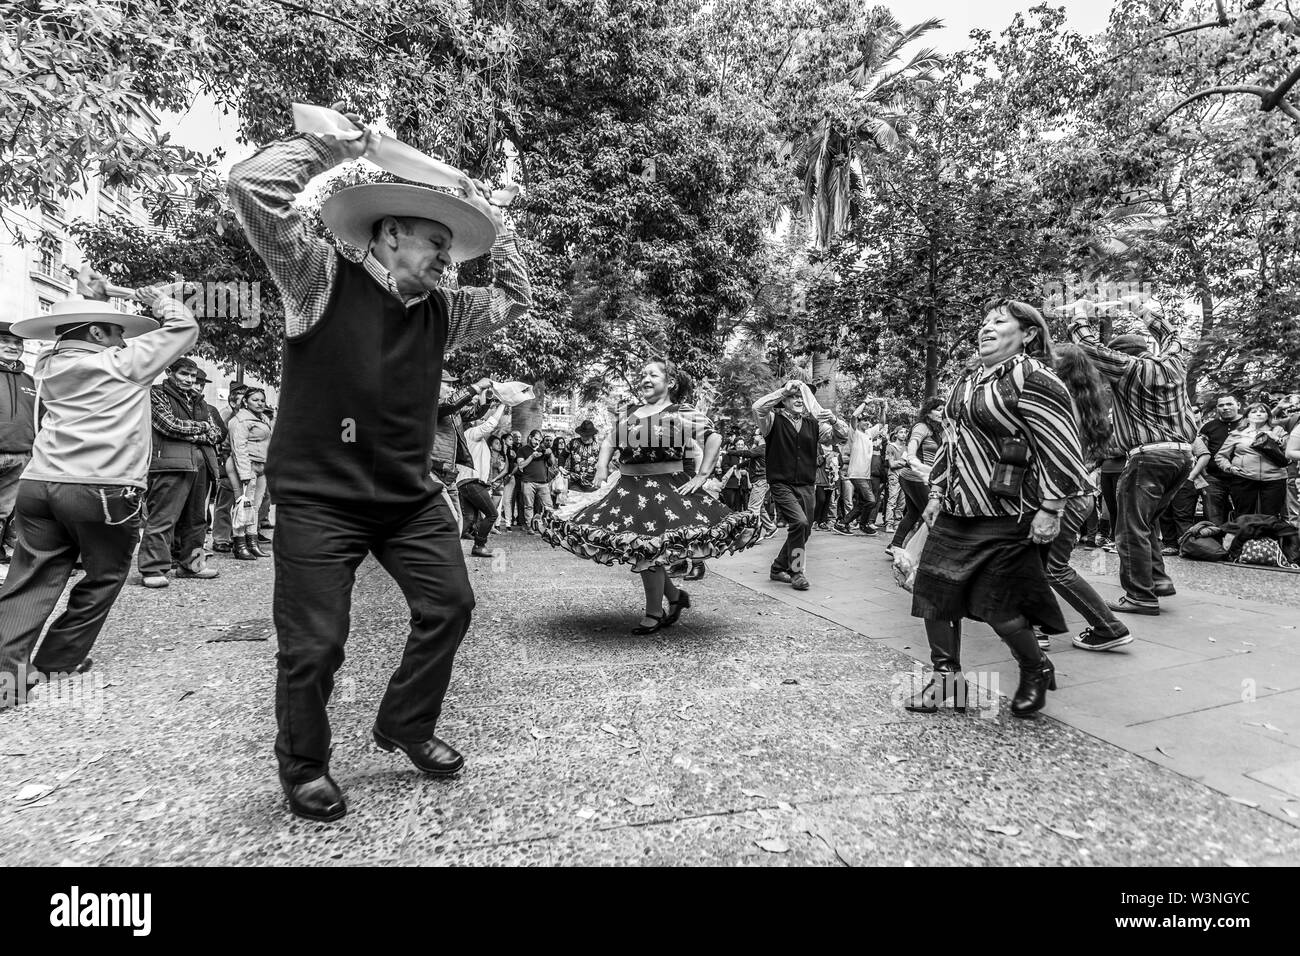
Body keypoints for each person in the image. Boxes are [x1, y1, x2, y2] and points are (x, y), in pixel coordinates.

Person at [228, 102, 531, 821]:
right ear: (391, 234)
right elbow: (251, 189)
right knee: (316, 645)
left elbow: (515, 297)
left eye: (453, 252)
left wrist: (498, 217)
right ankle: (303, 765)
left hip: (408, 496)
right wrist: (333, 145)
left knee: (450, 605)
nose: (447, 261)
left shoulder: (444, 310)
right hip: (319, 497)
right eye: (435, 244)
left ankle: (406, 723)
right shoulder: (317, 278)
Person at [0, 282, 197, 708]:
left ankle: (6, 681)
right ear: (95, 335)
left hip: (39, 484)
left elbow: (78, 337)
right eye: (116, 331)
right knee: (104, 575)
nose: (125, 340)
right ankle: (58, 660)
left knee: (28, 579)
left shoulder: (49, 365)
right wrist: (156, 300)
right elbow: (184, 327)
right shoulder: (120, 364)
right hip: (103, 487)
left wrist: (99, 299)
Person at [908, 300, 1090, 718]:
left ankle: (1036, 668)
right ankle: (947, 682)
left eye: (999, 322)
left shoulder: (1036, 378)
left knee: (1000, 606)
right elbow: (952, 444)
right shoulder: (966, 381)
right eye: (984, 321)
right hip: (958, 510)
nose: (987, 328)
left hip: (1012, 512)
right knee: (934, 597)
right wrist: (936, 493)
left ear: (1028, 333)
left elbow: (1060, 443)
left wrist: (1052, 506)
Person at [534, 359, 759, 632]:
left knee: (648, 550)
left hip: (665, 490)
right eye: (643, 375)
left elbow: (714, 439)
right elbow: (609, 440)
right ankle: (675, 598)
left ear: (670, 382)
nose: (646, 379)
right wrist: (602, 467)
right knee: (647, 551)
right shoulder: (627, 411)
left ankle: (655, 612)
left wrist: (702, 475)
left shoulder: (681, 411)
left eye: (653, 374)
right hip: (628, 490)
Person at [1068, 307, 1195, 616]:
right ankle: (1157, 579)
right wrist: (1141, 310)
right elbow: (1172, 335)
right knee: (1147, 521)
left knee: (1129, 528)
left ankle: (1140, 595)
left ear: (1120, 355)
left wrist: (1079, 315)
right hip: (1183, 456)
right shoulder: (1175, 364)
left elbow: (1086, 346)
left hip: (1149, 456)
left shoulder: (1128, 369)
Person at [1040, 345, 1132, 651]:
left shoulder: (1059, 402)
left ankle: (1109, 627)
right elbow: (1098, 452)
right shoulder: (1088, 405)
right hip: (1077, 494)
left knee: (1054, 568)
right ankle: (1037, 628)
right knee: (1038, 564)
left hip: (1061, 495)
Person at [751, 380, 851, 590]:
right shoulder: (772, 420)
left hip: (806, 484)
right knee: (800, 523)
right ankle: (796, 572)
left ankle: (778, 567)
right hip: (781, 484)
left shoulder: (813, 424)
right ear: (783, 400)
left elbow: (841, 437)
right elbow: (757, 407)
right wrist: (782, 390)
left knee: (804, 530)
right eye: (793, 396)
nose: (798, 399)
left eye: (801, 396)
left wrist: (834, 420)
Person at [137, 358, 224, 587]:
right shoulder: (156, 394)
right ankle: (153, 569)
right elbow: (169, 425)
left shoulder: (199, 400)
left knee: (197, 520)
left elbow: (216, 433)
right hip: (171, 464)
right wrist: (202, 428)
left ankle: (192, 565)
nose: (189, 380)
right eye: (184, 374)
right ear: (169, 372)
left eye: (193, 376)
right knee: (163, 518)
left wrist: (198, 431)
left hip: (201, 464)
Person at [0, 322, 36, 577]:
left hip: (21, 455)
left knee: (5, 511)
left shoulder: (29, 379)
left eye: (17, 343)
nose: (13, 346)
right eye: (5, 341)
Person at [887, 399, 943, 557]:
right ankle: (926, 553)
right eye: (938, 409)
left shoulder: (936, 430)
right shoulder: (922, 427)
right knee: (932, 513)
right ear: (928, 412)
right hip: (915, 477)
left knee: (913, 513)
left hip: (915, 477)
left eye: (943, 410)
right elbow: (914, 442)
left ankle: (895, 545)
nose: (941, 412)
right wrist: (911, 456)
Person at [1213, 402, 1290, 518]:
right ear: (1247, 417)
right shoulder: (1236, 434)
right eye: (1254, 412)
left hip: (1274, 478)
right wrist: (1229, 468)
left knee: (1271, 515)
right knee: (1243, 514)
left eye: (1262, 411)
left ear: (1268, 416)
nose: (1258, 414)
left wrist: (1277, 439)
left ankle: (1268, 536)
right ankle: (1246, 536)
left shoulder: (1278, 430)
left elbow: (1290, 451)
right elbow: (1220, 456)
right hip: (1244, 477)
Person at [227, 387, 274, 559]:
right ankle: (239, 545)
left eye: (262, 400)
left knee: (255, 507)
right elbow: (238, 448)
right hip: (244, 466)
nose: (260, 403)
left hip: (261, 466)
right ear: (246, 401)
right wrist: (245, 474)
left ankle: (252, 543)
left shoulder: (263, 418)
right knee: (242, 506)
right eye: (255, 400)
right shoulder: (240, 420)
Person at [458, 394, 506, 557]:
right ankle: (479, 545)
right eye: (479, 418)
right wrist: (503, 406)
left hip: (467, 483)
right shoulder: (472, 433)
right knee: (492, 514)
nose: (483, 420)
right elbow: (490, 424)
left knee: (469, 518)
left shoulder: (475, 439)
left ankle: (448, 546)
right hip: (472, 483)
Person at [835, 401, 887, 535]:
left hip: (866, 475)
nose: (867, 423)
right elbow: (853, 416)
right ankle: (846, 523)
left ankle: (854, 524)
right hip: (856, 474)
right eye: (864, 420)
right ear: (859, 422)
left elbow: (881, 423)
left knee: (863, 502)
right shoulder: (854, 433)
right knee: (871, 500)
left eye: (868, 421)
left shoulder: (869, 433)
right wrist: (865, 402)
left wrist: (882, 408)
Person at [212, 384, 249, 554]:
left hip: (246, 465)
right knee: (225, 503)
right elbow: (222, 442)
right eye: (243, 399)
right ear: (234, 403)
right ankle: (220, 539)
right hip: (229, 463)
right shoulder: (228, 418)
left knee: (242, 503)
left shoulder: (250, 417)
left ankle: (238, 537)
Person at [1197, 394, 1244, 524]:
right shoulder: (1208, 427)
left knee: (1244, 514)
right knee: (1214, 517)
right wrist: (1205, 475)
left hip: (1243, 478)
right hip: (1214, 478)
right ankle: (1216, 542)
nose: (1225, 408)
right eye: (1221, 405)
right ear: (1217, 408)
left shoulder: (1248, 424)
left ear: (1238, 405)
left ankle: (1242, 543)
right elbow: (1201, 452)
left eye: (1229, 404)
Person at [517, 429, 554, 531]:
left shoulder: (543, 449)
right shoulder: (522, 450)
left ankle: (549, 527)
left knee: (549, 505)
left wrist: (550, 453)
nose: (537, 442)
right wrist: (532, 456)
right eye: (535, 439)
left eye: (539, 440)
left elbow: (552, 463)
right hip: (528, 482)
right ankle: (530, 527)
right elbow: (521, 465)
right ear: (530, 437)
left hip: (543, 482)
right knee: (528, 506)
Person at [568, 420, 601, 492]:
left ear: (592, 435)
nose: (584, 437)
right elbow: (563, 455)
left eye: (586, 435)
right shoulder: (573, 442)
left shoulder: (598, 447)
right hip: (574, 482)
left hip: (591, 484)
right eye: (582, 435)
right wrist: (561, 467)